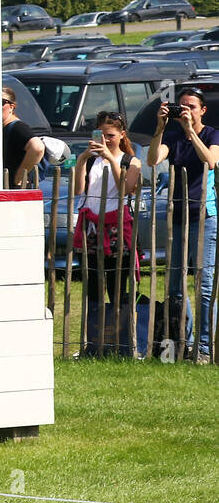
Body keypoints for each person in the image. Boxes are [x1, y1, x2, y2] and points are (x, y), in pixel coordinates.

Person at [147, 86, 219, 363]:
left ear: (202, 110)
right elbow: (153, 159)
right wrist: (159, 127)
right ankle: (182, 343)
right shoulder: (173, 136)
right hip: (177, 216)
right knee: (175, 286)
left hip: (204, 216)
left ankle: (203, 347)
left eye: (191, 106)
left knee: (203, 284)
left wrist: (191, 131)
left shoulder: (212, 134)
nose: (185, 110)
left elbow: (211, 162)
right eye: (181, 106)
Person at [72, 111, 141, 356]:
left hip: (117, 228)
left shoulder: (130, 161)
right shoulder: (91, 161)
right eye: (100, 134)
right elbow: (80, 190)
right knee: (93, 287)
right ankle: (94, 344)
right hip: (92, 226)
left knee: (116, 287)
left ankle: (121, 344)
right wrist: (82, 160)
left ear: (122, 135)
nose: (105, 140)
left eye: (110, 135)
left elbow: (126, 188)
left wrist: (111, 159)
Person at [0, 86, 45, 188]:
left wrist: (20, 175)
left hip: (13, 192)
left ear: (11, 107)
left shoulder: (17, 127)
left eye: (1, 102)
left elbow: (37, 148)